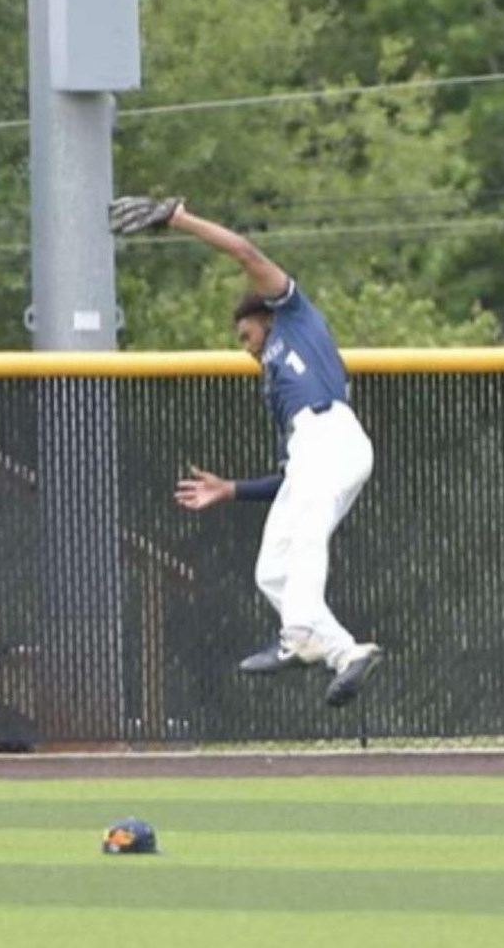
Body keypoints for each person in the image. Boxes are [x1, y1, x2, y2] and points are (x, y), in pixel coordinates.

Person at [109, 195, 383, 709]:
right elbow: (294, 478)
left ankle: (298, 632)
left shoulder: (294, 317)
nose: (246, 346)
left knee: (304, 538)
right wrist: (230, 489)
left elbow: (246, 254)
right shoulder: (278, 394)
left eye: (246, 334)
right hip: (316, 451)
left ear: (264, 314)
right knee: (272, 570)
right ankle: (346, 653)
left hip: (331, 435)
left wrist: (181, 220)